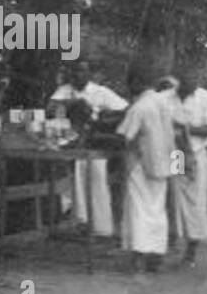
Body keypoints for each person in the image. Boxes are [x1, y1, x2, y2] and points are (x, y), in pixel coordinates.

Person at [47, 62, 128, 236]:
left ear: (89, 73)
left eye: (82, 71)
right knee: (75, 184)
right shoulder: (65, 90)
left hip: (96, 144)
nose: (78, 75)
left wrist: (101, 119)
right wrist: (74, 103)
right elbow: (51, 108)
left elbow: (125, 110)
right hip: (71, 145)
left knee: (97, 181)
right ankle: (81, 223)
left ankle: (101, 227)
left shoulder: (101, 91)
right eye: (74, 71)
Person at [116, 74, 177, 274]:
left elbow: (126, 137)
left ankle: (138, 260)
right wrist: (178, 167)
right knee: (157, 210)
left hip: (141, 164)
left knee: (139, 209)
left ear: (135, 83)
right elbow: (179, 134)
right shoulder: (166, 104)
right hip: (164, 165)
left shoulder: (139, 107)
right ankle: (156, 257)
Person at [170, 72, 207, 267]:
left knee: (196, 202)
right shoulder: (169, 97)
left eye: (192, 79)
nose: (187, 83)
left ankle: (191, 252)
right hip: (177, 155)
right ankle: (173, 244)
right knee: (175, 198)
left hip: (197, 153)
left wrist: (185, 129)